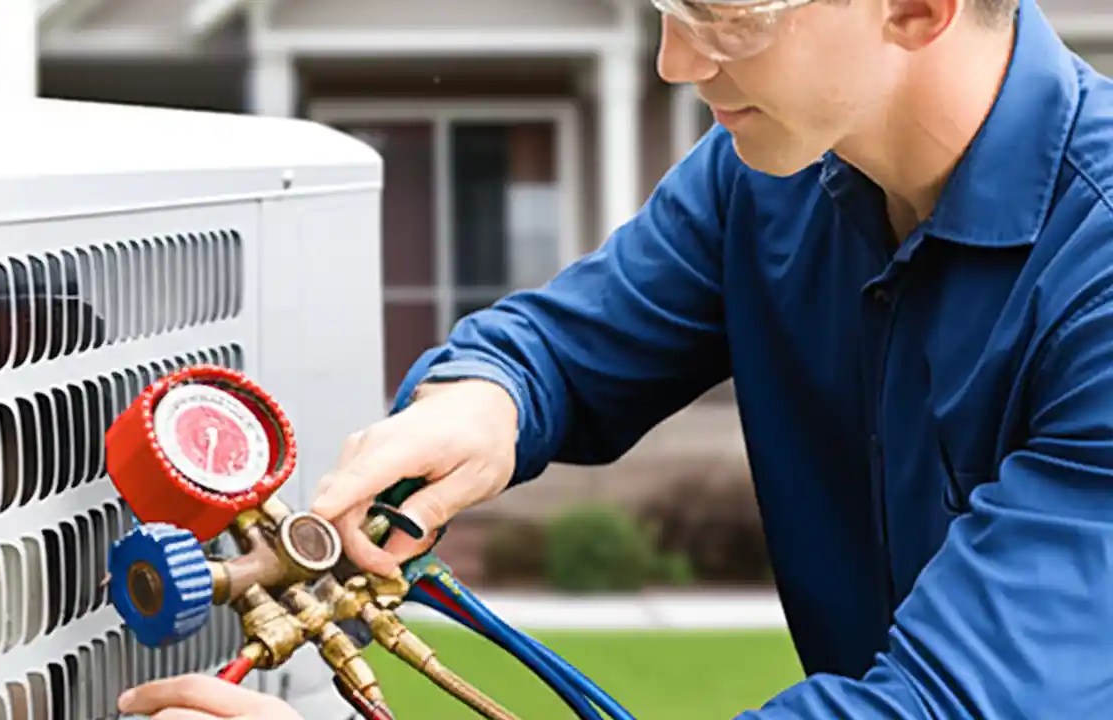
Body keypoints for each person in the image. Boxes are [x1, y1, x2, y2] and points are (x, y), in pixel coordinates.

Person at [119, 0, 1113, 716]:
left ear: (916, 8)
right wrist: (483, 402)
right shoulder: (773, 173)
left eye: (725, 15)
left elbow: (948, 703)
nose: (674, 62)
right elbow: (560, 346)